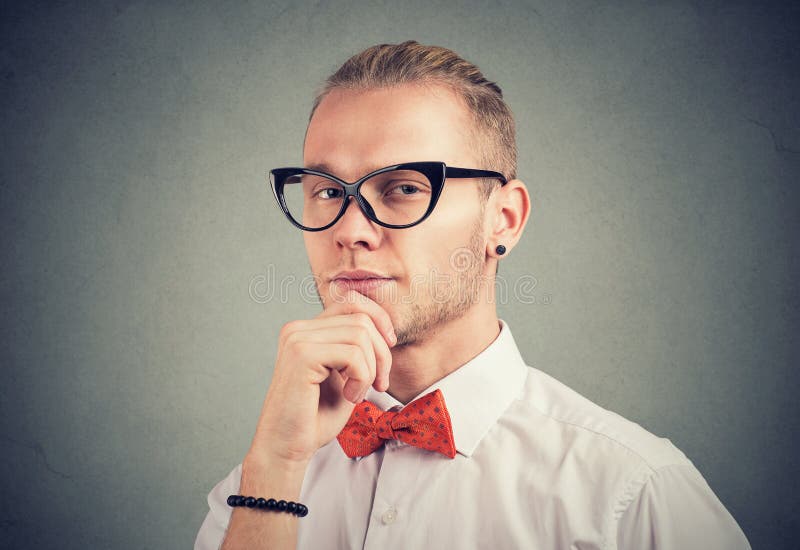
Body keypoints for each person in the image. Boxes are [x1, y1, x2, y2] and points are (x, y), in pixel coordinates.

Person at [195, 40, 750, 549]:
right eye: (326, 191)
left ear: (502, 220)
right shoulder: (253, 492)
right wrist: (275, 470)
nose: (350, 230)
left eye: (404, 188)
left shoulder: (634, 495)